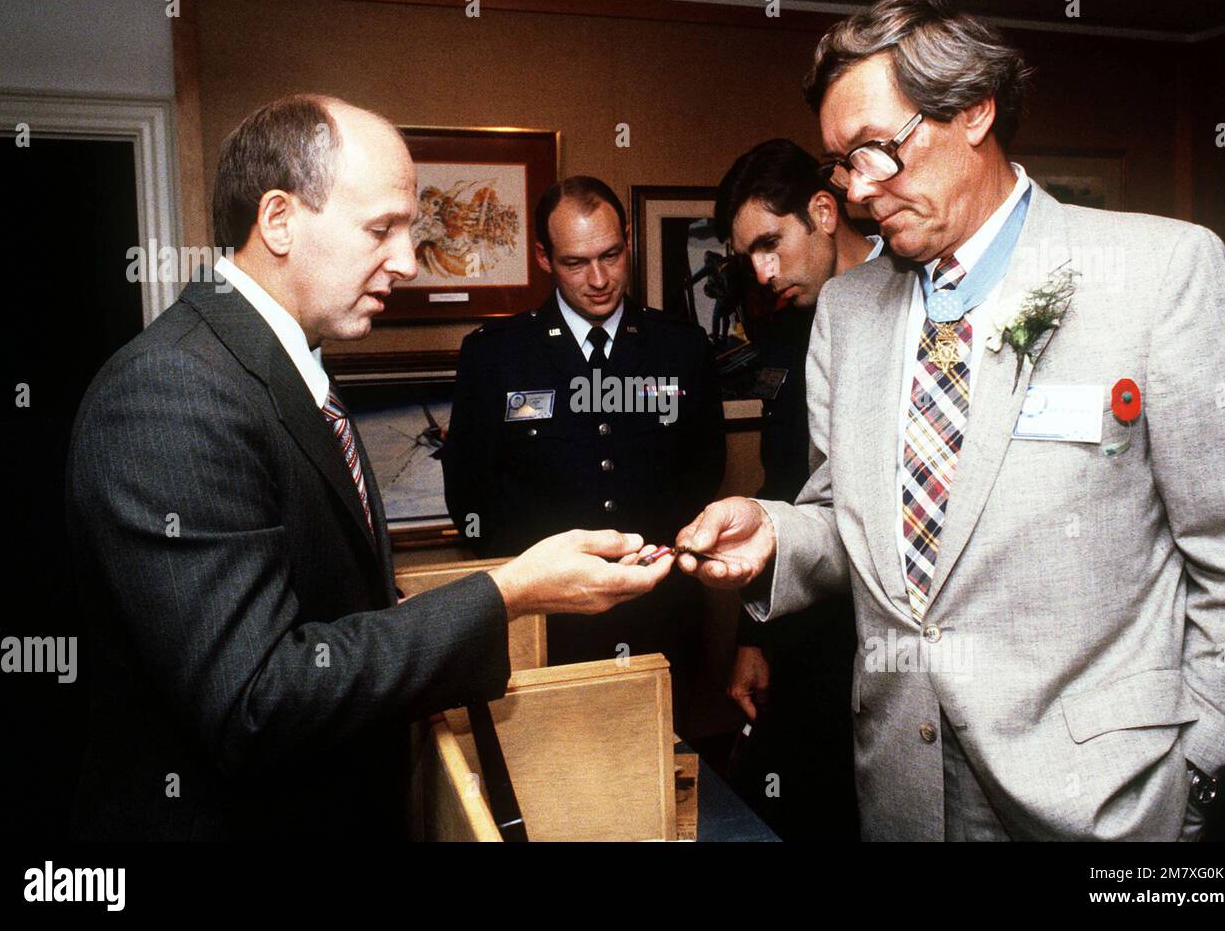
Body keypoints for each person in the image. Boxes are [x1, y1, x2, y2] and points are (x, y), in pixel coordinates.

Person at [677, 0, 1225, 841]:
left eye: (877, 150)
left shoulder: (1159, 274)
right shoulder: (848, 312)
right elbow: (848, 519)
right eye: (842, 164)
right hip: (904, 787)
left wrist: (1199, 774)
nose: (859, 191)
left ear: (974, 111)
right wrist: (775, 534)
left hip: (1108, 801)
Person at [65, 96, 673, 840]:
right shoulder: (172, 391)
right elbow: (256, 700)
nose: (408, 261)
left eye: (410, 231)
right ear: (279, 220)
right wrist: (507, 591)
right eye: (381, 229)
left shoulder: (289, 368)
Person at [442, 176, 724, 730]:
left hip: (660, 617)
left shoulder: (681, 347)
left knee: (674, 770)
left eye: (611, 256)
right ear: (544, 258)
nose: (598, 280)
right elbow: (471, 496)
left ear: (627, 241)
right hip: (548, 625)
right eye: (575, 263)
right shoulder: (496, 357)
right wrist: (527, 586)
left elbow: (704, 469)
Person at [714, 138, 882, 839]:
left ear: (824, 212)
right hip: (813, 628)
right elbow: (782, 487)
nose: (762, 271)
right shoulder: (786, 334)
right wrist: (754, 636)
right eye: (748, 255)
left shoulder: (916, 294)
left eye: (770, 244)